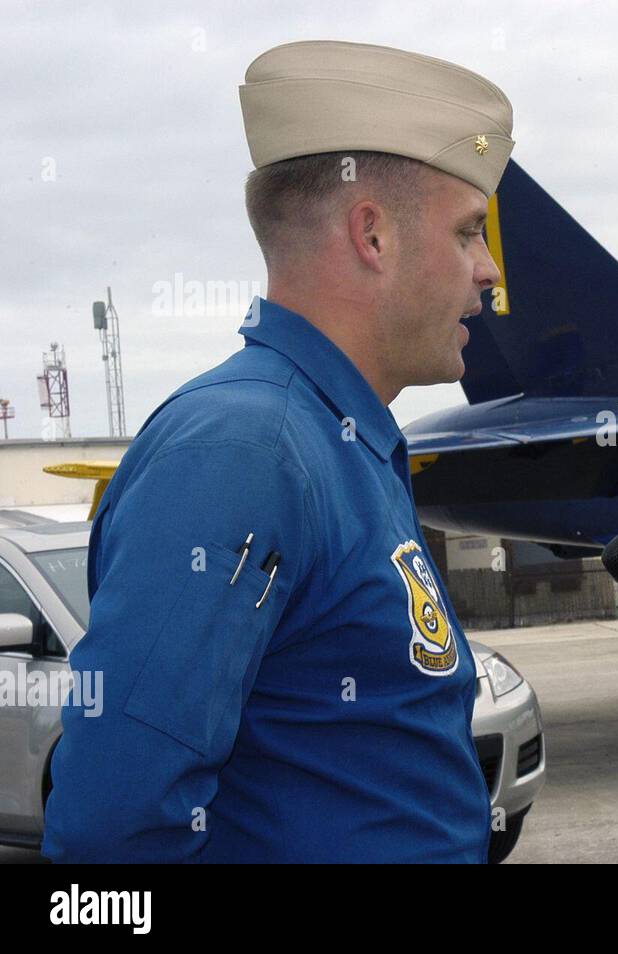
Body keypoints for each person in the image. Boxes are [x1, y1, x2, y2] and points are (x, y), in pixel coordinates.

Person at [42, 40, 513, 862]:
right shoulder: (246, 450)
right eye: (470, 232)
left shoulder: (333, 439)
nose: (489, 269)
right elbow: (112, 829)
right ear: (373, 234)